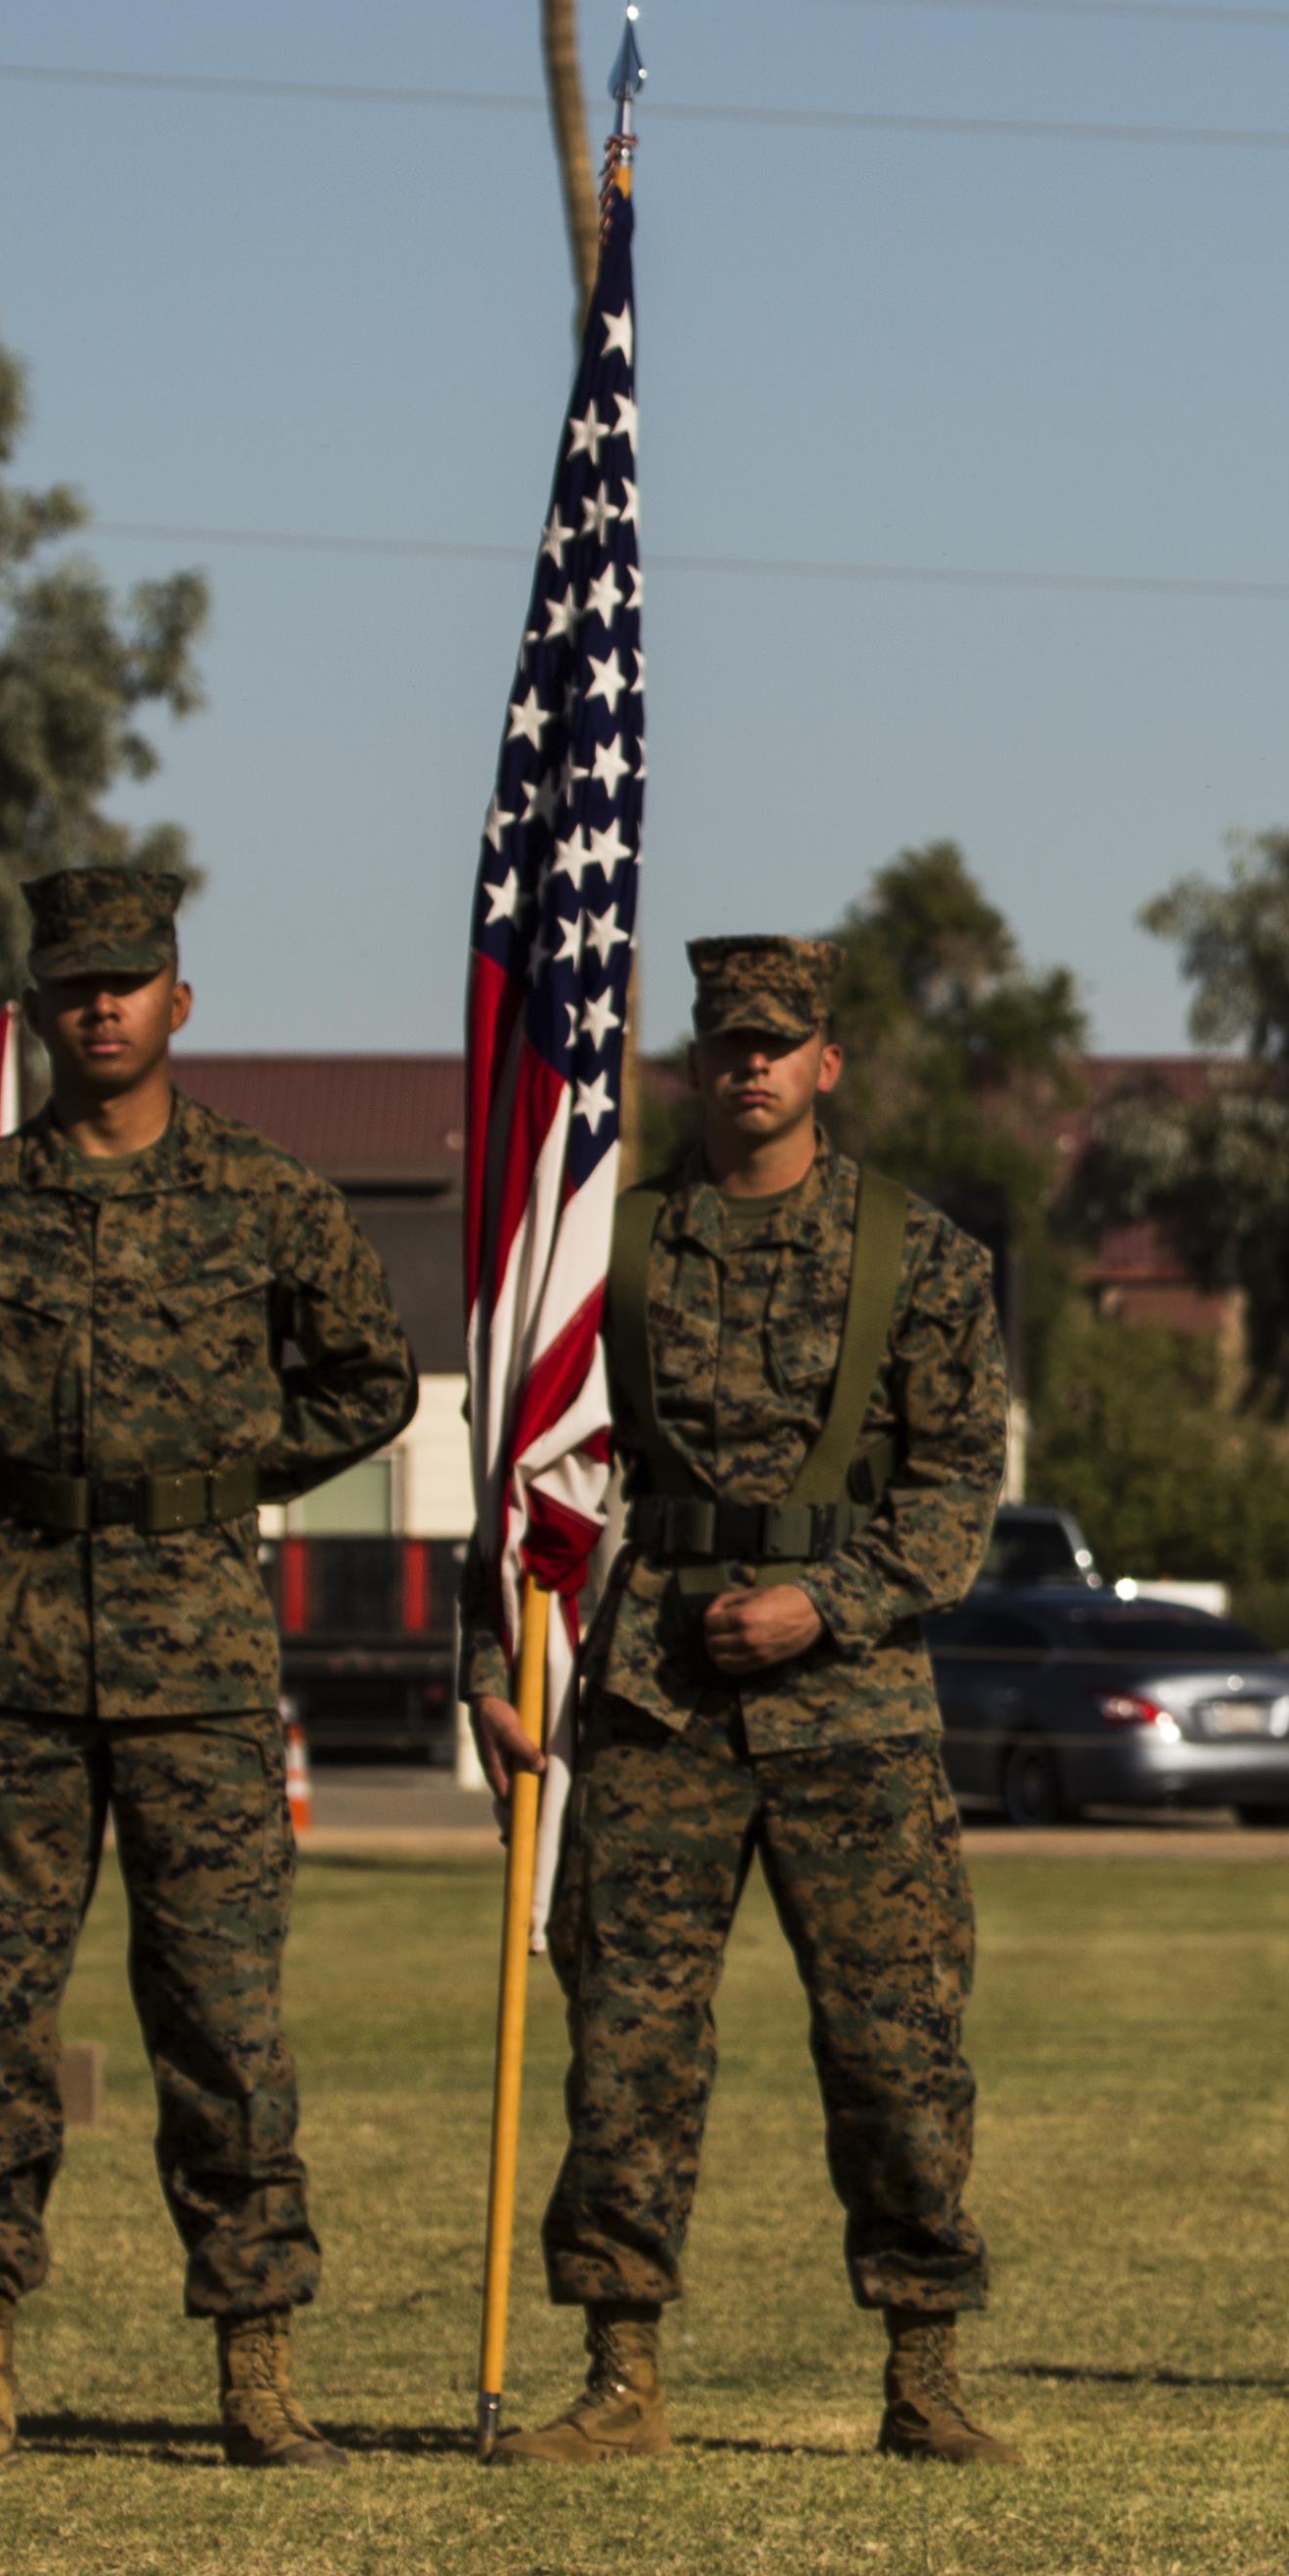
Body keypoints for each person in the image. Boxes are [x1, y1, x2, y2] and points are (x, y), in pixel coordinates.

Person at [0, 866, 419, 2472]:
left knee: (225, 2019)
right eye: (71, 984)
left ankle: (257, 2361)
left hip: (199, 1656)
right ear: (38, 1008)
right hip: (15, 1643)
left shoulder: (268, 1195)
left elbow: (373, 1379)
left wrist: (239, 1464)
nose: (99, 1006)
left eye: (127, 980)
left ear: (179, 1001)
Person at [463, 934, 1012, 2468]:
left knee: (897, 2044)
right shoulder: (609, 1257)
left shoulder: (922, 1257)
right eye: (726, 1043)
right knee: (628, 2041)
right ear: (693, 1063)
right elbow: (530, 1474)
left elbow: (960, 1492)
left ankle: (924, 2371)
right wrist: (488, 1664)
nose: (751, 1065)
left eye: (779, 1042)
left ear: (827, 1063)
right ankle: (620, 2368)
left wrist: (824, 1601)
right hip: (656, 1695)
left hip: (855, 1708)